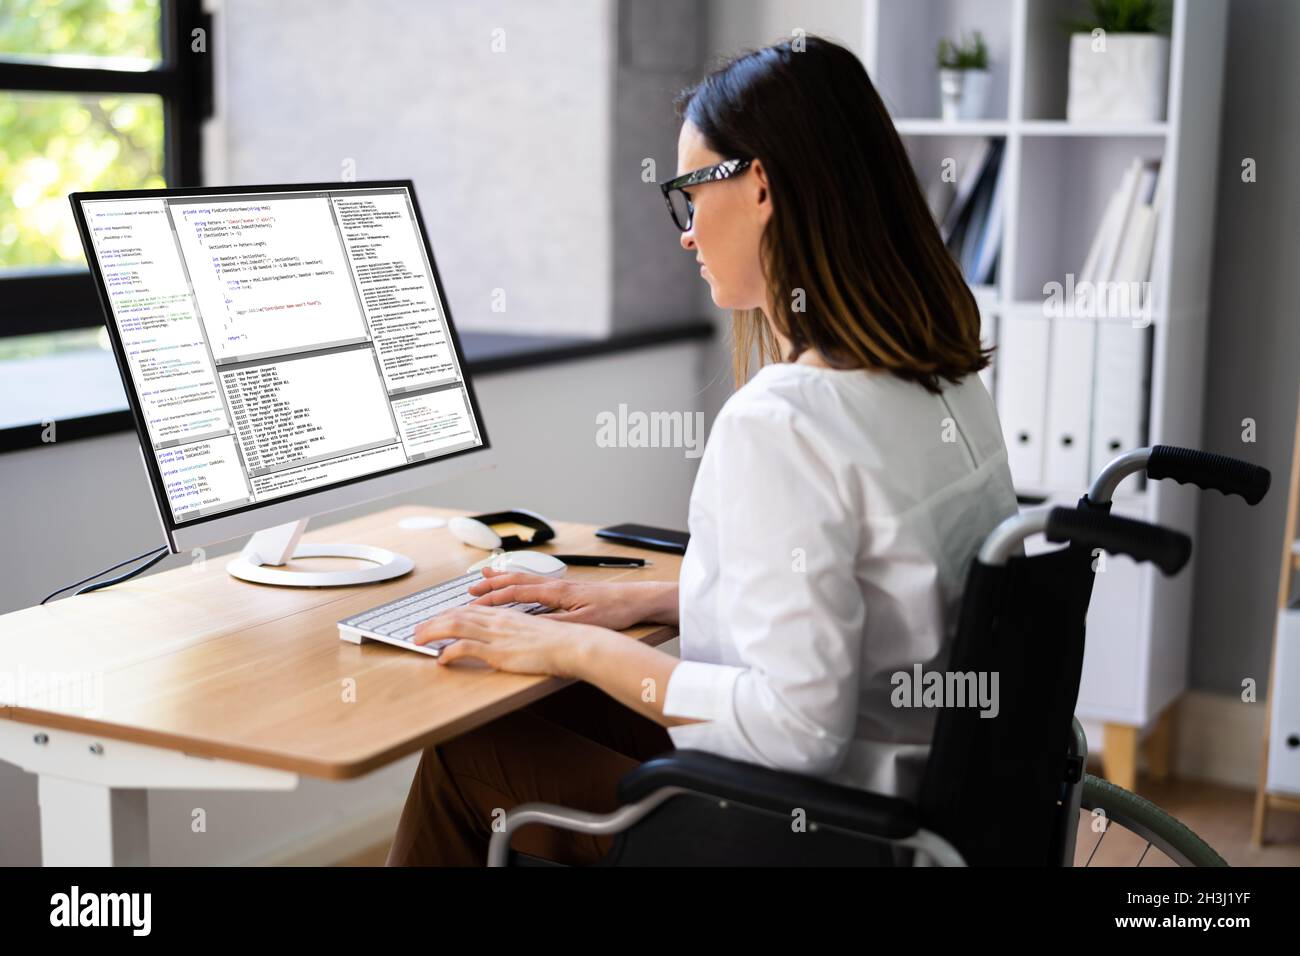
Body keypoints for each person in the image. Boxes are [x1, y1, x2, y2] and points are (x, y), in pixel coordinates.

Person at [385, 35, 1019, 867]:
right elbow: (876, 599)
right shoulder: (943, 381)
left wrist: (572, 645)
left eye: (689, 192)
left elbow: (797, 731)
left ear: (760, 185)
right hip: (916, 801)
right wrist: (649, 602)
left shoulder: (787, 420)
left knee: (469, 757)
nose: (686, 234)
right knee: (531, 713)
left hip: (813, 830)